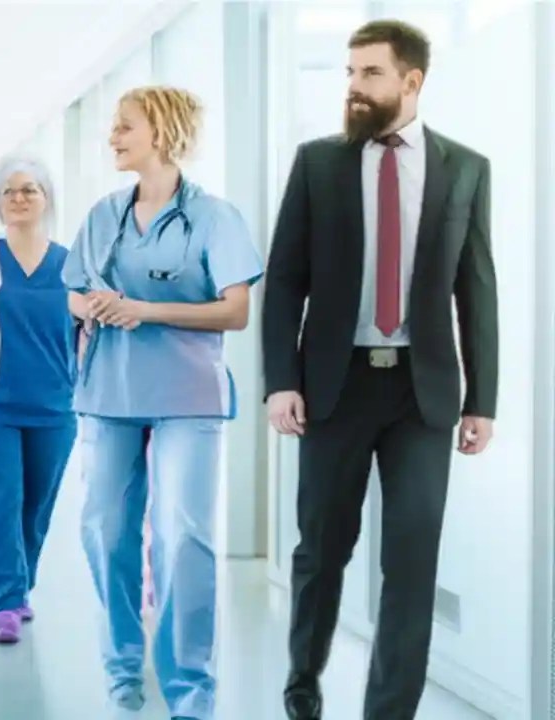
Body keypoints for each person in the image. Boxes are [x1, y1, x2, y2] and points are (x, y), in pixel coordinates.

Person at [262, 20, 497, 720]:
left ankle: (388, 712)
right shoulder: (319, 163)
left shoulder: (466, 168)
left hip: (423, 395)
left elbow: (476, 290)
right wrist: (282, 380)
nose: (354, 86)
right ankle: (302, 686)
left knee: (413, 560)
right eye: (349, 72)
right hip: (335, 386)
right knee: (322, 550)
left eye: (369, 73)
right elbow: (284, 282)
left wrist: (483, 399)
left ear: (410, 81)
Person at [63, 85, 263, 720]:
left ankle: (191, 689)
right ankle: (123, 667)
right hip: (109, 393)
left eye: (125, 127)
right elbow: (74, 291)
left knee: (183, 538)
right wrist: (93, 305)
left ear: (163, 132)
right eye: (113, 127)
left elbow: (235, 309)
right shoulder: (103, 215)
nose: (114, 137)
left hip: (187, 396)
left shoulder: (214, 217)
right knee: (104, 532)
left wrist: (142, 309)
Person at [0, 155, 77, 644]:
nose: (19, 198)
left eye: (29, 190)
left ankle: (21, 585)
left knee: (35, 508)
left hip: (55, 406)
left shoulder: (72, 263)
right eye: (9, 191)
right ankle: (6, 601)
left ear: (46, 199)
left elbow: (91, 327)